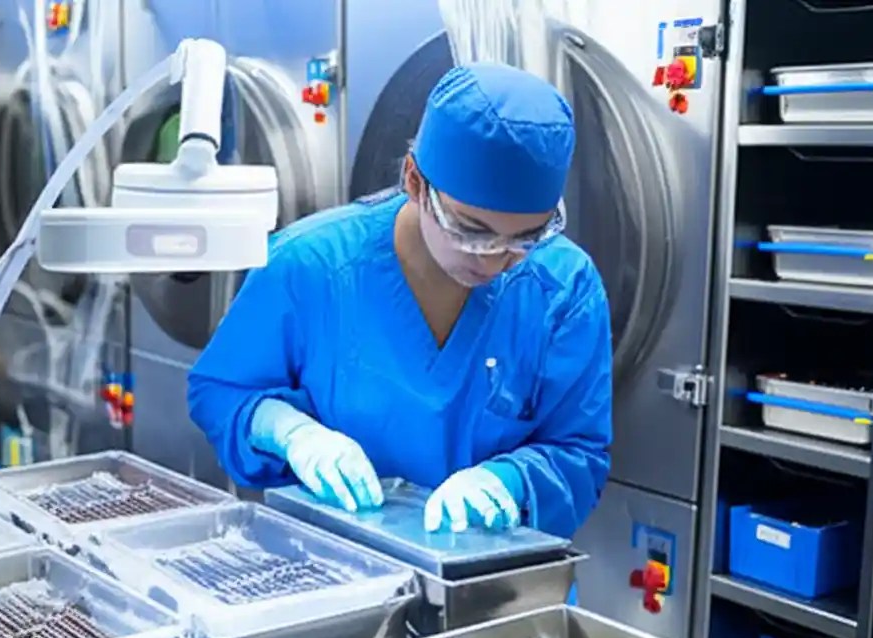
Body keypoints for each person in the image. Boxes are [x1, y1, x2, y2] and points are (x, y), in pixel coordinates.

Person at [186, 62, 612, 539]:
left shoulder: (563, 286)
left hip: (490, 582)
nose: (494, 262)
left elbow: (578, 450)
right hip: (329, 566)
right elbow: (220, 391)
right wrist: (290, 433)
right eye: (472, 231)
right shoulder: (311, 265)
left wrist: (509, 482)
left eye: (524, 239)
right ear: (414, 181)